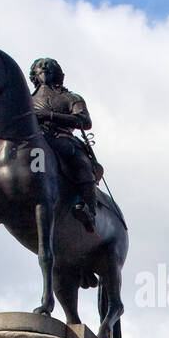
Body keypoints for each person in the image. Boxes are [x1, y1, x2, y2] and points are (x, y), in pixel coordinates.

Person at [29, 58, 101, 233]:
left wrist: (49, 115)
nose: (44, 68)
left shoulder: (71, 98)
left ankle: (89, 211)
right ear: (34, 74)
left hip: (62, 138)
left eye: (49, 67)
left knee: (81, 161)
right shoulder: (26, 99)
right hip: (33, 140)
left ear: (57, 74)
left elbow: (84, 120)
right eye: (40, 67)